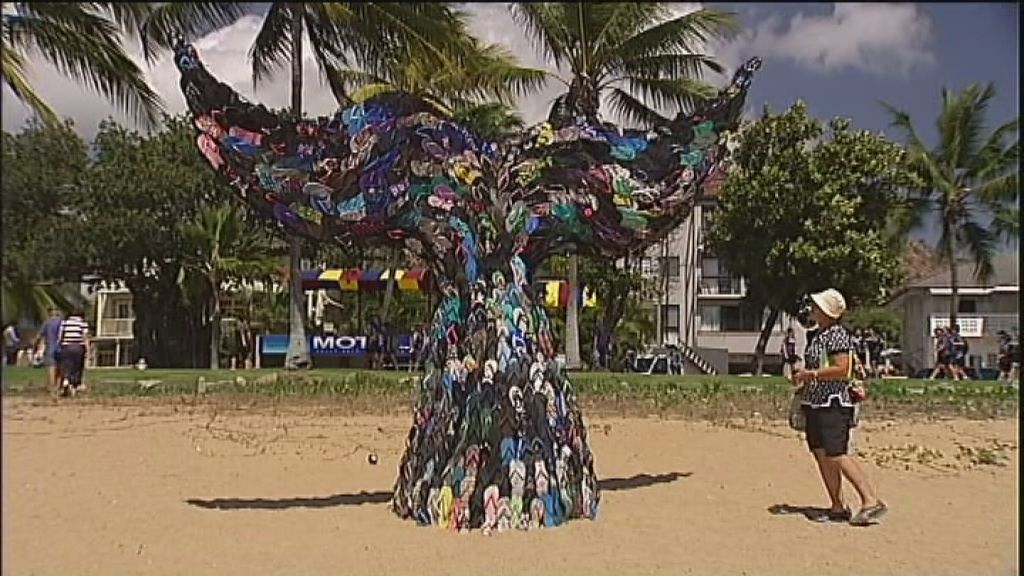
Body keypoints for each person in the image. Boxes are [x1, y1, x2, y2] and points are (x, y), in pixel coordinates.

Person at [790, 288, 887, 526]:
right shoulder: (820, 335)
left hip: (833, 401)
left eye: (817, 307)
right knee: (821, 451)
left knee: (836, 452)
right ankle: (837, 505)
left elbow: (842, 368)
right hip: (816, 401)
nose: (813, 309)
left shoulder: (836, 335)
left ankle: (870, 500)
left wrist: (809, 374)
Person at [56, 309, 90, 397]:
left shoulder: (65, 323)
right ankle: (74, 387)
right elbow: (85, 337)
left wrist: (60, 345)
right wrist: (88, 349)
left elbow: (60, 336)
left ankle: (66, 381)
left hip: (66, 347)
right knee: (77, 367)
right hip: (78, 347)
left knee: (67, 366)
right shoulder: (82, 323)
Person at [34, 308, 64, 393]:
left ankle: (52, 387)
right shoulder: (62, 322)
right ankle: (58, 386)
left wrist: (35, 345)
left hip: (50, 347)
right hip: (61, 347)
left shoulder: (47, 323)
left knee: (51, 367)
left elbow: (39, 335)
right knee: (60, 368)